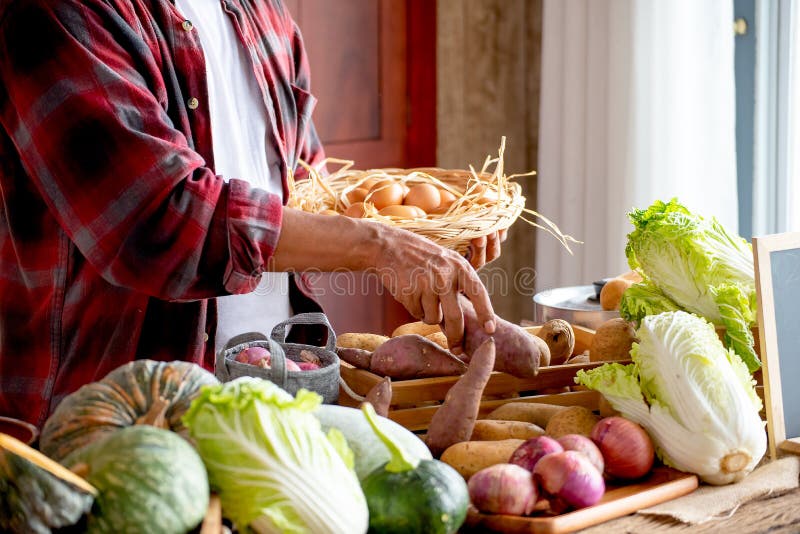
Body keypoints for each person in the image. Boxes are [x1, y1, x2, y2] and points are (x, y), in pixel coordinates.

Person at [0, 0, 505, 427]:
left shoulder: (261, 10)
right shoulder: (59, 13)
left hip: (279, 388)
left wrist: (423, 241)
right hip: (117, 421)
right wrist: (376, 246)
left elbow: (306, 185)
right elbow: (161, 216)